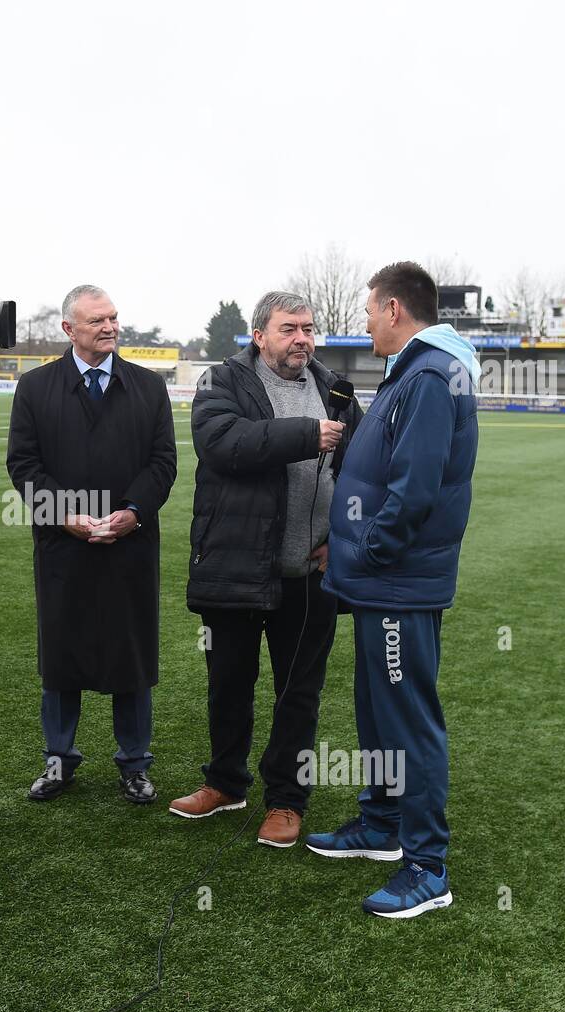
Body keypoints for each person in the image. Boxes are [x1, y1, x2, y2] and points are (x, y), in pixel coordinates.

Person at [307, 261, 479, 919]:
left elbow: (414, 491)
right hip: (380, 582)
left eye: (371, 309)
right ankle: (380, 823)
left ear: (396, 309)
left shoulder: (432, 375)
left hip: (397, 582)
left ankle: (427, 867)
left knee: (408, 720)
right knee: (379, 712)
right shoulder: (418, 370)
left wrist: (370, 553)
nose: (367, 321)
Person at [170, 291, 363, 848]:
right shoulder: (221, 382)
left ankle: (285, 800)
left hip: (310, 575)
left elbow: (364, 474)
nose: (301, 338)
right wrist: (308, 435)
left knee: (297, 692)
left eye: (308, 328)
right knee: (228, 683)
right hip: (234, 565)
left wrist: (342, 541)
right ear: (259, 335)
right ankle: (225, 783)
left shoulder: (336, 390)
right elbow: (222, 444)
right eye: (288, 329)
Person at [6, 285, 177, 804]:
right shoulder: (35, 388)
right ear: (69, 329)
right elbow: (24, 466)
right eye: (97, 320)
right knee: (62, 659)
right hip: (65, 548)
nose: (110, 327)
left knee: (131, 657)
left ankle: (134, 764)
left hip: (130, 546)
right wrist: (66, 517)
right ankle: (58, 763)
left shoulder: (148, 387)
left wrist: (132, 514)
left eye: (114, 318)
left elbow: (163, 464)